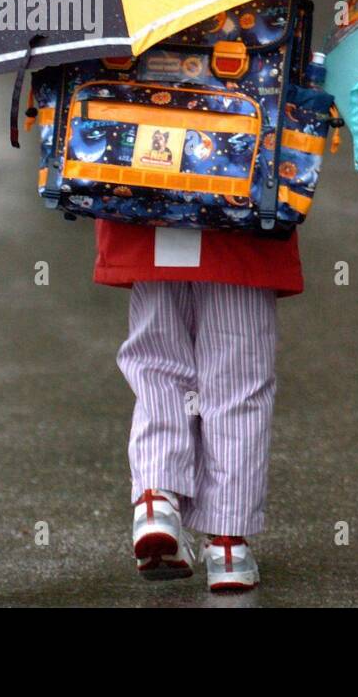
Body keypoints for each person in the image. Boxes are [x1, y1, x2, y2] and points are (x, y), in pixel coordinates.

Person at [96, 203, 302, 592]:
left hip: (146, 188)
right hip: (244, 196)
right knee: (239, 375)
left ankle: (156, 502)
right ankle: (228, 547)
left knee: (158, 357)